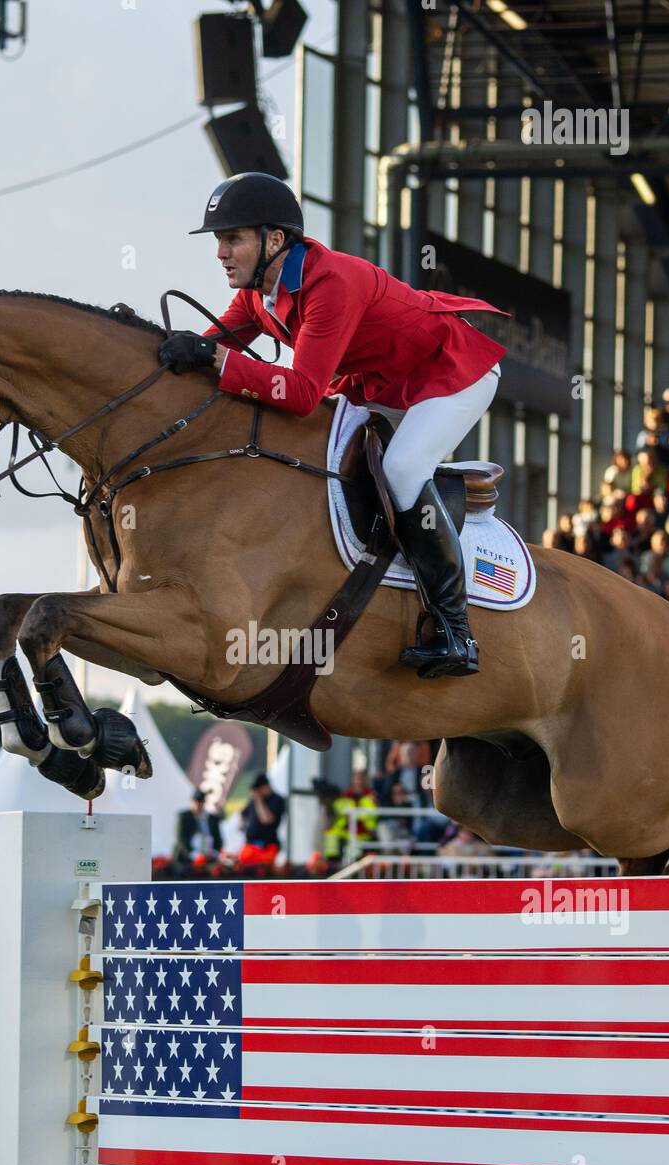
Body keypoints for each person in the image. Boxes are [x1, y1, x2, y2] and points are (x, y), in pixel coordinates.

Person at [160, 172, 510, 678]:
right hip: (383, 384)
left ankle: (457, 633)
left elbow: (300, 393)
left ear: (274, 240)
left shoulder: (331, 283)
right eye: (219, 239)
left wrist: (212, 356)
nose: (221, 252)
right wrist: (160, 348)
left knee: (405, 470)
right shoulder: (260, 293)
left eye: (232, 237)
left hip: (449, 371)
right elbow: (214, 347)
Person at [238, 773, 286, 868]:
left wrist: (259, 800)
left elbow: (266, 819)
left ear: (265, 786)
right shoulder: (254, 801)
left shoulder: (277, 800)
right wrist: (243, 825)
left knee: (264, 867)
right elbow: (243, 813)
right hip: (251, 845)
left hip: (267, 846)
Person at [175, 790, 223, 868]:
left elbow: (218, 838)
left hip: (209, 856)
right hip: (188, 858)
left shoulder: (212, 818)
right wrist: (194, 855)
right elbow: (181, 838)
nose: (198, 805)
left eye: (200, 802)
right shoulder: (185, 817)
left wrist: (215, 852)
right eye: (196, 802)